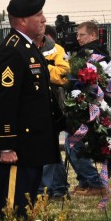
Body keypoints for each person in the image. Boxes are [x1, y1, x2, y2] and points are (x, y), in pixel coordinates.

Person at [0, 0, 59, 214]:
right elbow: (5, 100)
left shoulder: (28, 48)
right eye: (38, 15)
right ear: (22, 21)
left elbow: (39, 96)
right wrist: (6, 145)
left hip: (33, 145)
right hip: (18, 148)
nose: (43, 19)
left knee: (26, 207)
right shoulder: (13, 50)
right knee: (12, 208)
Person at [68, 20, 111, 195]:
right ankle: (85, 181)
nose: (78, 38)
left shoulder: (92, 54)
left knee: (74, 142)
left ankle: (94, 182)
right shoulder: (94, 52)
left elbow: (91, 81)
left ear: (93, 35)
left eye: (82, 35)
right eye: (77, 35)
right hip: (90, 104)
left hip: (88, 105)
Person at [38, 24, 71, 198]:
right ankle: (58, 187)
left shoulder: (57, 50)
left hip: (52, 104)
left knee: (47, 146)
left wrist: (41, 67)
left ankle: (45, 189)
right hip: (36, 103)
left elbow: (63, 75)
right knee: (50, 148)